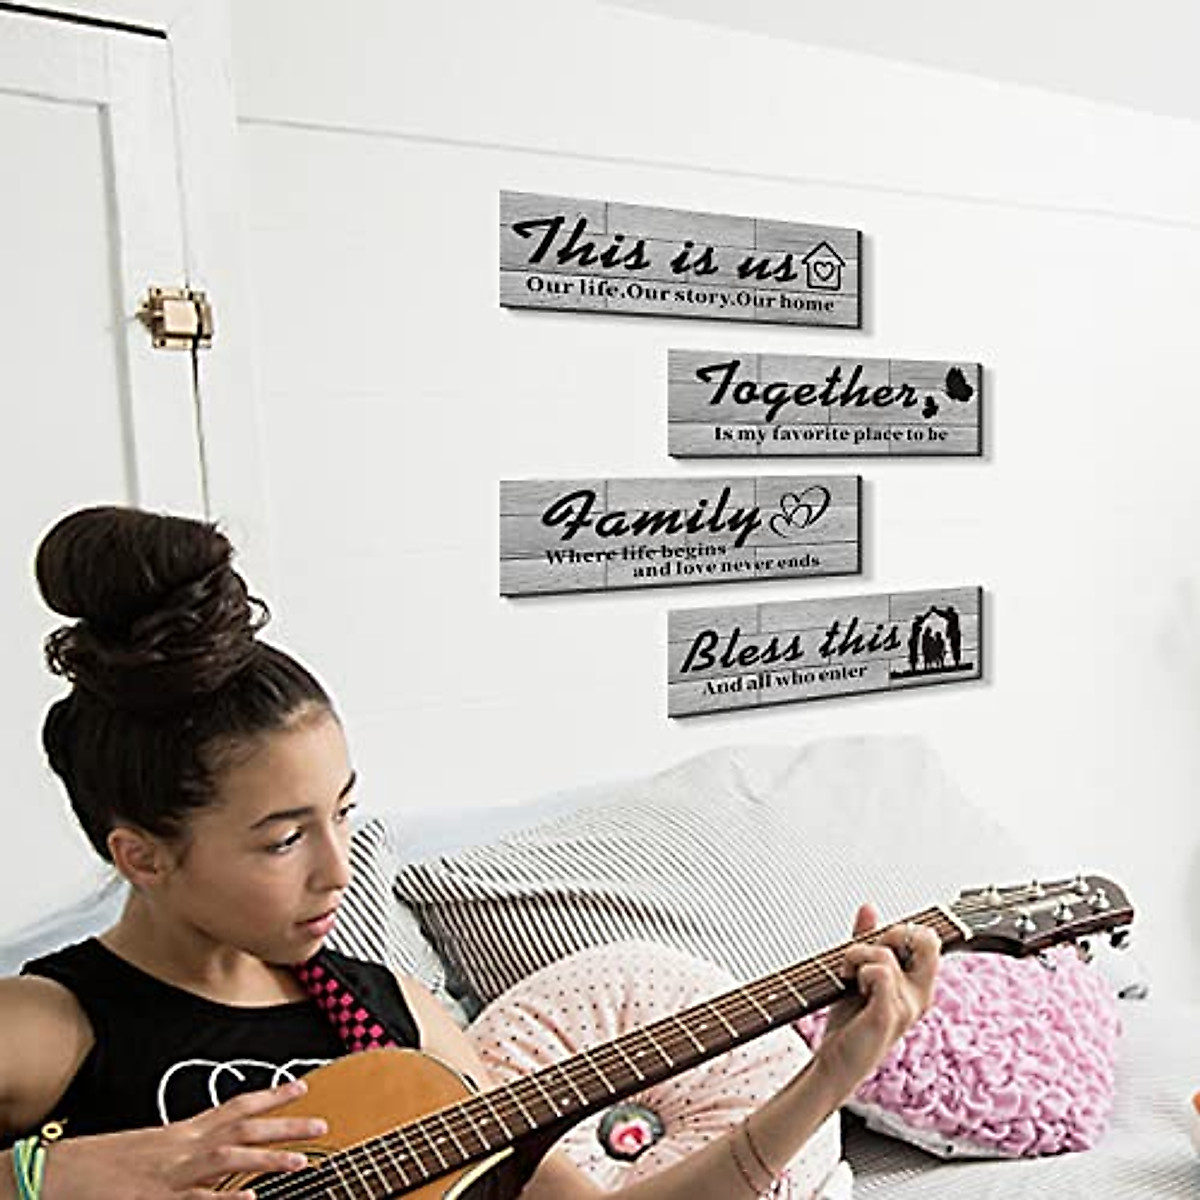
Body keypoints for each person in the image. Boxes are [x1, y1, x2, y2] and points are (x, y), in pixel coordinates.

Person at [0, 505, 940, 1199]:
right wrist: (50, 1177)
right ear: (143, 856)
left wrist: (829, 1077)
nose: (337, 870)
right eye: (285, 839)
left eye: (343, 814)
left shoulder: (395, 1023)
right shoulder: (54, 1024)